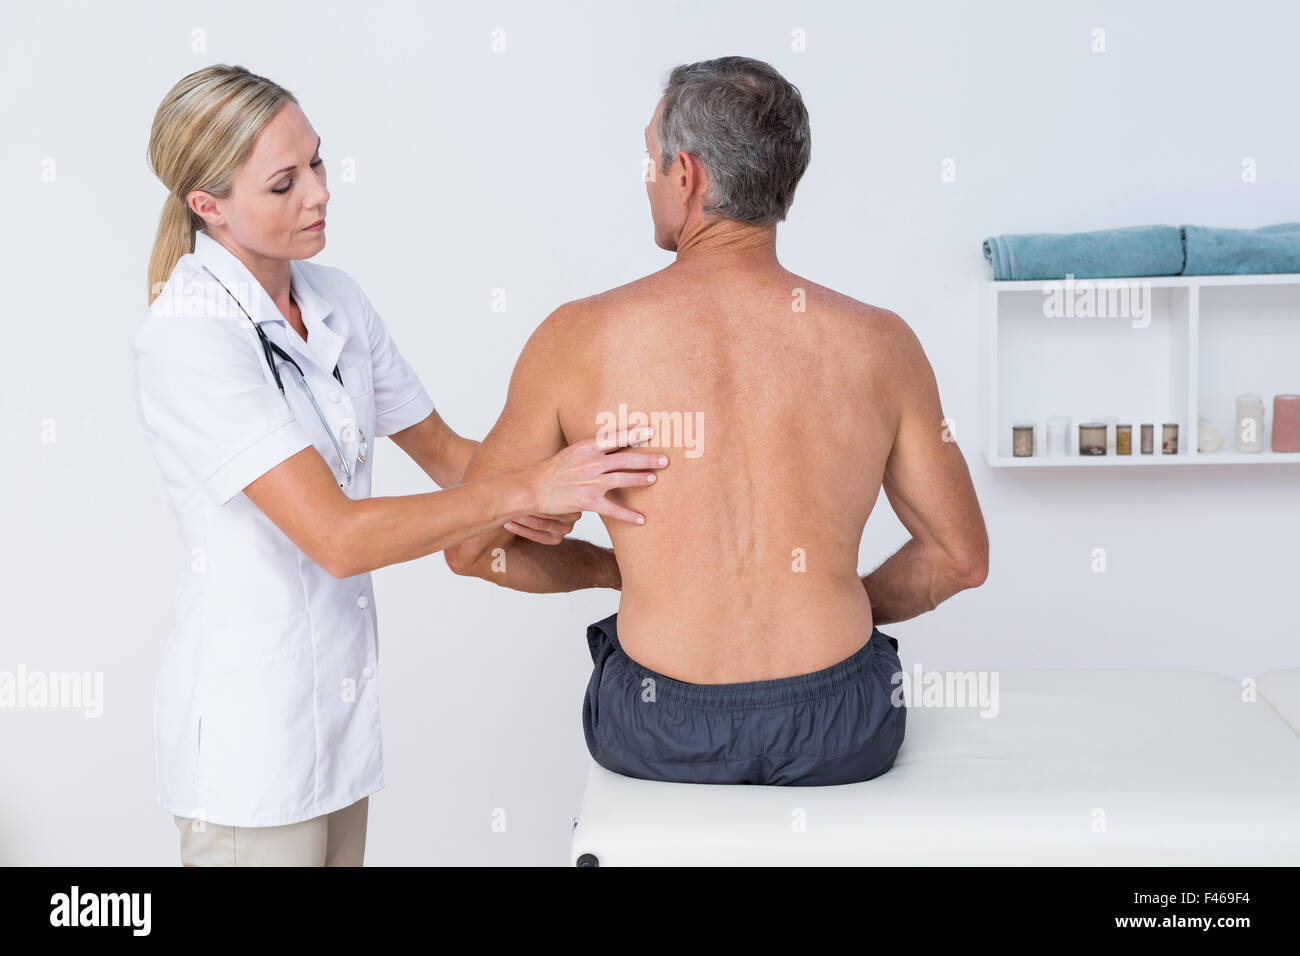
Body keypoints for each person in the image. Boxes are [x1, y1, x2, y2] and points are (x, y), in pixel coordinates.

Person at [133, 64, 667, 865]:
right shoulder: (191, 335)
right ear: (208, 207)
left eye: (317, 162)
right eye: (284, 183)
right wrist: (528, 485)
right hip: (251, 749)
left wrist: (580, 500)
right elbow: (338, 537)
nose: (318, 193)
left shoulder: (335, 300)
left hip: (338, 728)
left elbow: (454, 460)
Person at [446, 56, 989, 786]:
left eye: (650, 161)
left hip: (658, 724)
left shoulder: (577, 339)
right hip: (842, 725)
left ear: (687, 176)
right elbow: (961, 557)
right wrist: (834, 601)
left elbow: (471, 549)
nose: (648, 181)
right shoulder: (881, 343)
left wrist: (623, 573)